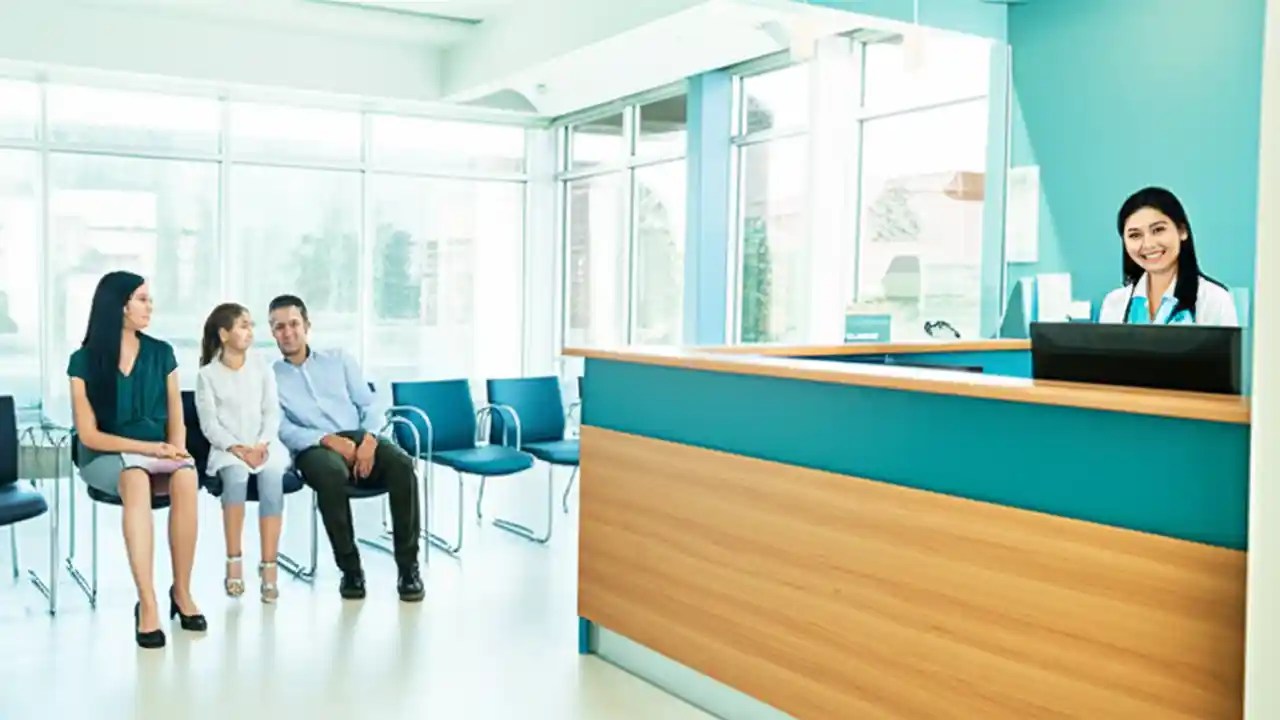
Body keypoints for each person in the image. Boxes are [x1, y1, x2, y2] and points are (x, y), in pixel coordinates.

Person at [66, 271, 206, 649]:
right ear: (120, 305)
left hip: (157, 452)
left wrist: (176, 449)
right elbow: (90, 435)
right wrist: (148, 450)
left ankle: (183, 591)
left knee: (186, 477)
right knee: (135, 479)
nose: (150, 306)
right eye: (142, 299)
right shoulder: (83, 361)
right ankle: (147, 602)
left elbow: (176, 420)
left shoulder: (162, 354)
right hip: (105, 455)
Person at [267, 294, 424, 602]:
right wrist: (326, 439)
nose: (287, 332)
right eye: (279, 327)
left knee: (403, 466)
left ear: (307, 325)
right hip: (313, 447)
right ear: (272, 332)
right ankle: (350, 569)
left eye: (294, 324)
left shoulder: (338, 359)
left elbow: (371, 402)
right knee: (330, 473)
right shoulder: (270, 377)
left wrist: (369, 440)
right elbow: (281, 428)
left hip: (360, 437)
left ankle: (409, 569)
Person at [195, 303, 289, 603]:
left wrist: (261, 444)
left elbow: (272, 411)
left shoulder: (262, 365)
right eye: (242, 325)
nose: (250, 331)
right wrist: (238, 449)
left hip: (264, 446)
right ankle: (234, 563)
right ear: (224, 334)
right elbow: (210, 425)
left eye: (251, 325)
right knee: (235, 479)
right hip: (229, 450)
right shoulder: (207, 375)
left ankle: (269, 567)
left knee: (272, 479)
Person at [1099, 187, 1239, 326]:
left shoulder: (1214, 300)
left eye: (1158, 230)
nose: (1148, 244)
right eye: (1135, 235)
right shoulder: (1114, 303)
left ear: (1182, 231)